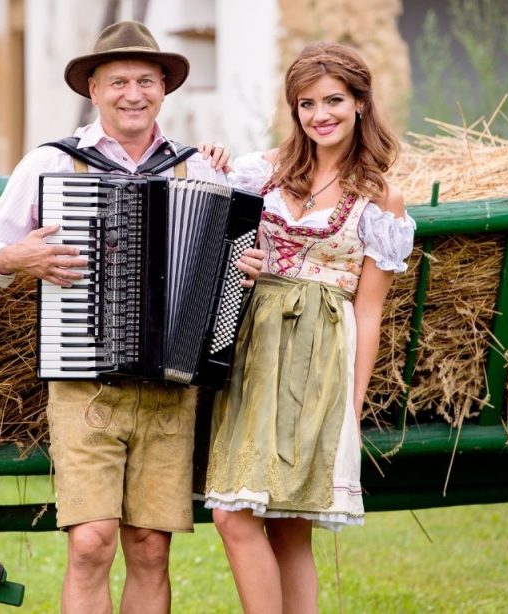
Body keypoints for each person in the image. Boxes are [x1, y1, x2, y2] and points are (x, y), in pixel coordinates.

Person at [0, 21, 266, 614]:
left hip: (170, 390)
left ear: (163, 90)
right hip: (84, 387)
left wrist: (242, 266)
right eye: (119, 81)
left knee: (151, 547)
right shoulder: (52, 162)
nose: (134, 93)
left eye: (146, 81)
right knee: (91, 543)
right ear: (94, 90)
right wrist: (16, 256)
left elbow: (230, 255)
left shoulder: (196, 168)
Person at [203, 42, 416, 613]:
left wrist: (352, 401)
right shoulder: (264, 172)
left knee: (290, 524)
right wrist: (209, 160)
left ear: (361, 104)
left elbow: (368, 310)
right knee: (235, 514)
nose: (320, 115)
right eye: (306, 104)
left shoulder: (380, 199)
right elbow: (204, 228)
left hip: (319, 354)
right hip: (251, 347)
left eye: (333, 101)